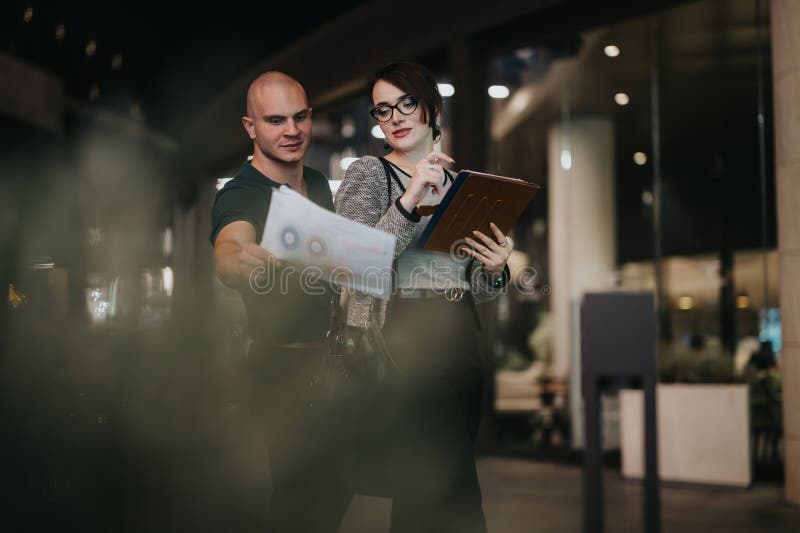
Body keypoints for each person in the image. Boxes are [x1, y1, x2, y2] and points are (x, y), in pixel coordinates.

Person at [335, 61, 513, 533]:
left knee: (436, 491)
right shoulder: (368, 173)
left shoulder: (462, 187)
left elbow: (472, 286)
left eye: (406, 103)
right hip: (402, 341)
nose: (395, 117)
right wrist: (409, 199)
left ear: (431, 107)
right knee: (450, 494)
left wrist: (495, 270)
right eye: (383, 109)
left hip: (460, 339)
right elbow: (354, 263)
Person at [210, 71, 349, 532]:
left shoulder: (317, 182)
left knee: (334, 501)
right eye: (275, 120)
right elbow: (230, 245)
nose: (292, 130)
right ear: (250, 127)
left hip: (333, 366)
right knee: (300, 508)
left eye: (299, 117)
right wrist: (236, 259)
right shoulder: (243, 193)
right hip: (285, 372)